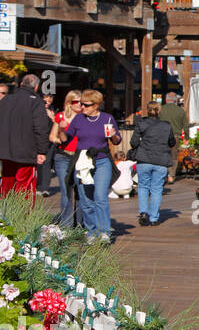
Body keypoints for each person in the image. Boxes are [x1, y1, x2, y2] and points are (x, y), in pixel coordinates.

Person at [60, 90, 120, 242]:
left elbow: (117, 141)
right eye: (81, 104)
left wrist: (113, 134)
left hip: (101, 161)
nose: (82, 107)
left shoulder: (107, 118)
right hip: (82, 162)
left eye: (86, 105)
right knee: (86, 200)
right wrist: (61, 129)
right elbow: (65, 140)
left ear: (96, 105)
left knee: (100, 197)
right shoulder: (79, 119)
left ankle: (104, 232)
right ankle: (92, 232)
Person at [0, 73, 54, 201]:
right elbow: (40, 128)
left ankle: (4, 215)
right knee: (25, 185)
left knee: (7, 182)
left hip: (6, 149)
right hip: (26, 150)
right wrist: (42, 150)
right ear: (36, 87)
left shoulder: (6, 100)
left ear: (21, 84)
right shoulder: (36, 102)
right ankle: (23, 217)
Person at [128, 101, 175, 227]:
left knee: (143, 186)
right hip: (161, 161)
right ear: (159, 111)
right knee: (157, 189)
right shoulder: (166, 125)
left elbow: (133, 143)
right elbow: (172, 143)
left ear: (147, 110)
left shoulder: (141, 123)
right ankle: (154, 218)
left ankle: (143, 212)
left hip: (144, 160)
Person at [50, 91, 83, 228]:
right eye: (77, 102)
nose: (81, 105)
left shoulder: (85, 118)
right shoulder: (61, 116)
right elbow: (52, 136)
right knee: (66, 190)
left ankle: (81, 224)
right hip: (63, 156)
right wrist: (61, 140)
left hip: (80, 156)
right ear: (69, 102)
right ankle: (66, 226)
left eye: (82, 102)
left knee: (81, 190)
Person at [159, 92, 188, 184]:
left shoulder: (161, 110)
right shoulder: (180, 111)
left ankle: (162, 175)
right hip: (175, 136)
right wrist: (186, 137)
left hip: (162, 136)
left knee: (162, 155)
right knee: (174, 156)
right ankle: (171, 176)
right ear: (176, 100)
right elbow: (186, 125)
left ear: (166, 100)